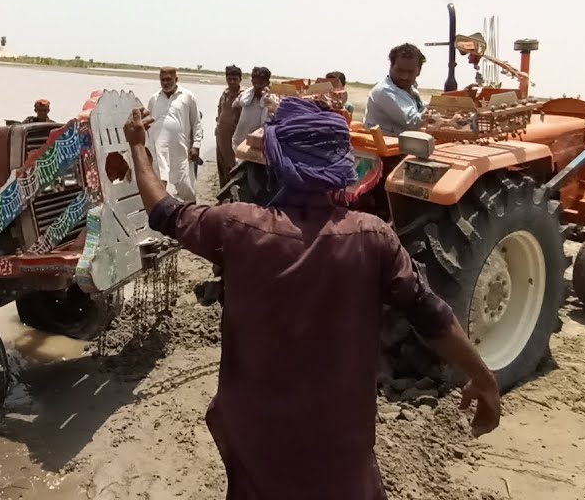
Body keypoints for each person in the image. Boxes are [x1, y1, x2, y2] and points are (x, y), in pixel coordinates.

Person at [122, 98, 502, 499]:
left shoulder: (238, 226)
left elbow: (164, 211)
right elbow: (430, 314)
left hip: (257, 437)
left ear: (277, 160)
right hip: (339, 440)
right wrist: (482, 376)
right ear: (341, 165)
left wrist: (137, 146)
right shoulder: (373, 237)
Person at [146, 67, 203, 203]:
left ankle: (192, 208)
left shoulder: (187, 97)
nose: (165, 83)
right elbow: (147, 123)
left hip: (180, 148)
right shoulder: (154, 99)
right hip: (158, 148)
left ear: (176, 79)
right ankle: (160, 210)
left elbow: (196, 123)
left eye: (168, 80)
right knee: (160, 181)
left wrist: (196, 145)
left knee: (185, 185)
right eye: (162, 80)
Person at [363, 43, 427, 136]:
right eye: (400, 70)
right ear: (391, 66)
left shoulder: (411, 92)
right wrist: (434, 113)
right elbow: (413, 122)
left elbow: (421, 110)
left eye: (410, 72)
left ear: (419, 71)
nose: (404, 76)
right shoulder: (384, 91)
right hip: (385, 143)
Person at [230, 66, 277, 154]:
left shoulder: (272, 99)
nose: (257, 86)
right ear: (252, 82)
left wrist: (270, 104)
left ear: (267, 83)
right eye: (255, 83)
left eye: (261, 83)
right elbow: (235, 107)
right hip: (241, 138)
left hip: (260, 143)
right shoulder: (245, 96)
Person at [214, 66, 243, 187]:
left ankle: (232, 192)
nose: (231, 82)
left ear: (240, 79)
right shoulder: (224, 94)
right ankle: (223, 190)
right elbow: (220, 111)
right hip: (220, 134)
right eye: (229, 79)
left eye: (234, 79)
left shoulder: (243, 97)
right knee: (221, 164)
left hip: (233, 136)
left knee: (232, 164)